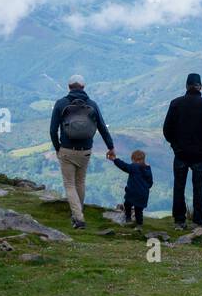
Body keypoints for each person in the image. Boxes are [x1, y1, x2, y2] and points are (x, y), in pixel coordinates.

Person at [49, 75, 114, 230]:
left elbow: (53, 130)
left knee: (69, 184)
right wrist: (110, 147)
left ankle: (79, 219)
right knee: (80, 182)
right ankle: (79, 213)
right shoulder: (92, 104)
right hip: (85, 150)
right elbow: (103, 128)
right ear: (83, 87)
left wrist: (58, 147)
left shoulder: (61, 104)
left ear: (69, 87)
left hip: (66, 149)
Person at [162, 72, 202, 228]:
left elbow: (167, 130)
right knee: (198, 189)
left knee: (179, 187)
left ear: (186, 86)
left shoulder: (176, 103)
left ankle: (179, 219)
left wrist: (175, 145)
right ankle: (198, 220)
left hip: (180, 154)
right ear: (200, 87)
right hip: (200, 155)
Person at [111, 149, 153, 226]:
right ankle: (139, 225)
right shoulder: (148, 169)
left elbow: (123, 166)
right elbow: (150, 183)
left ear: (134, 159)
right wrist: (144, 188)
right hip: (143, 195)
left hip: (132, 193)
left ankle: (128, 218)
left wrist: (114, 159)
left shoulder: (134, 167)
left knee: (127, 204)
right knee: (139, 210)